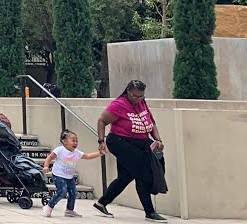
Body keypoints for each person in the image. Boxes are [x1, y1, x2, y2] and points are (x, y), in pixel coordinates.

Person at [93, 80, 166, 221]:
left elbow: (151, 123)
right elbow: (102, 120)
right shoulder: (118, 104)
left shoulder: (142, 103)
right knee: (142, 173)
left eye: (140, 96)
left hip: (141, 143)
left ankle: (101, 203)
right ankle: (149, 212)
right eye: (134, 96)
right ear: (127, 91)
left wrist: (158, 140)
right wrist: (101, 141)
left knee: (125, 177)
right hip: (120, 142)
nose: (137, 99)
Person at [43, 129, 104, 217]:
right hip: (58, 175)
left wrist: (100, 153)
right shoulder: (60, 150)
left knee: (73, 193)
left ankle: (69, 210)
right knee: (62, 192)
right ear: (64, 141)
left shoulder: (76, 152)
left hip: (69, 176)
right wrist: (46, 166)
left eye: (76, 141)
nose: (75, 143)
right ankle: (49, 206)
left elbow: (87, 156)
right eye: (73, 141)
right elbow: (50, 157)